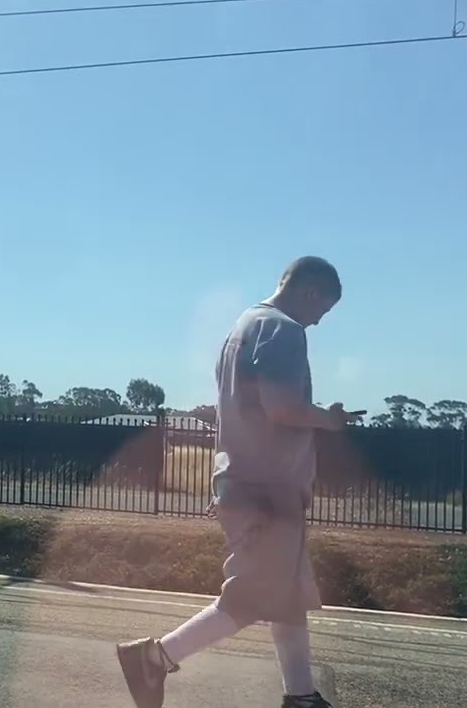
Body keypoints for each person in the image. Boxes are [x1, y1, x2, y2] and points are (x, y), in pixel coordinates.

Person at [116, 256, 358, 708]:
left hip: (250, 483)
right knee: (252, 597)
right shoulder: (284, 329)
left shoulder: (243, 326)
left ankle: (301, 696)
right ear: (309, 291)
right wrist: (329, 420)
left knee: (286, 596)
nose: (319, 321)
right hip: (268, 489)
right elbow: (281, 408)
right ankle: (154, 657)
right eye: (323, 310)